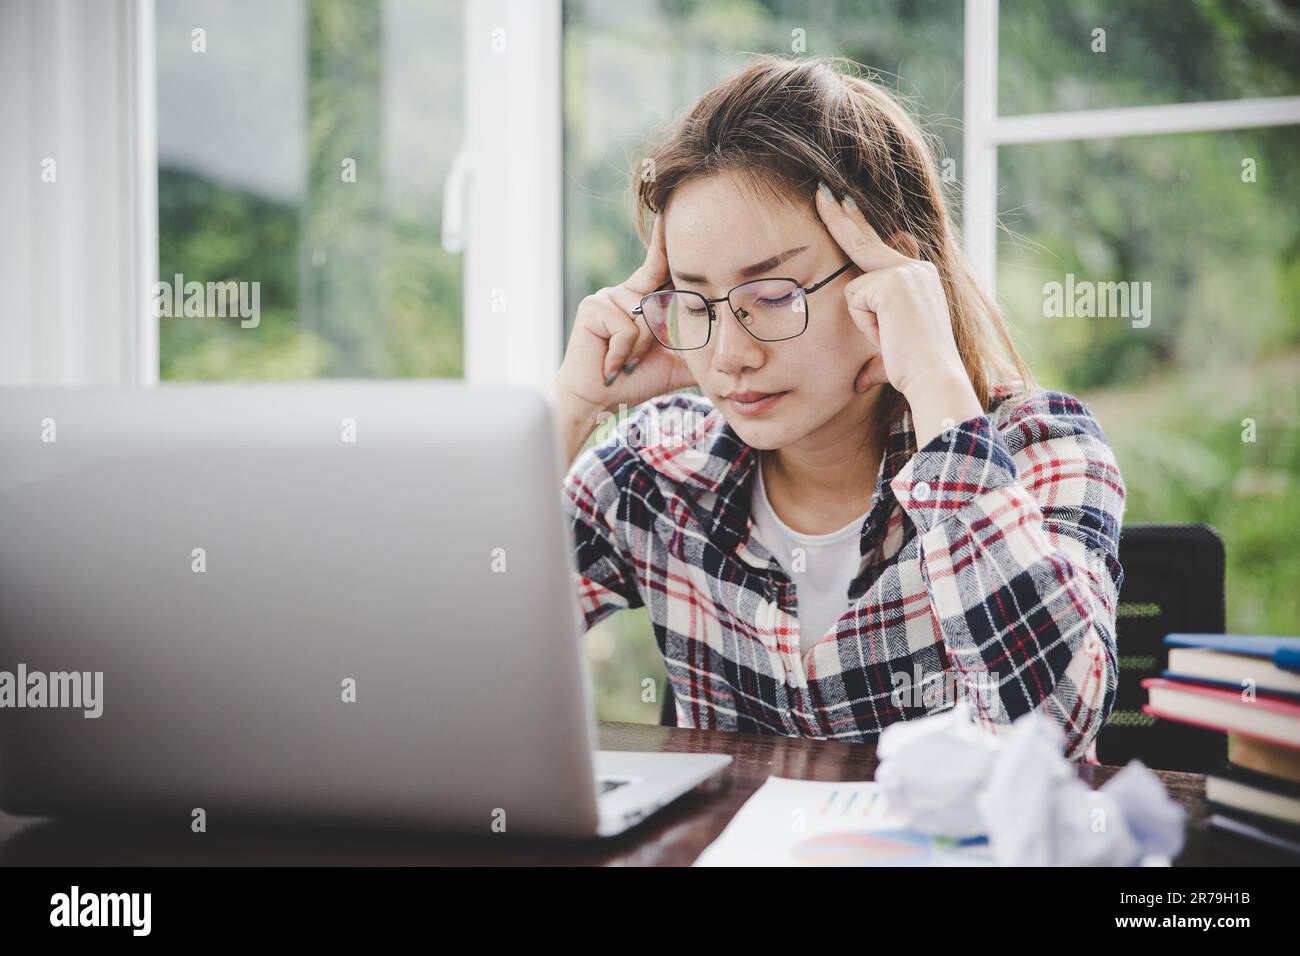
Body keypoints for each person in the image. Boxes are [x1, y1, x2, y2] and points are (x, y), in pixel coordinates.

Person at [548, 55, 1125, 763]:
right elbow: (446, 654)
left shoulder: (1043, 448)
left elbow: (1053, 727)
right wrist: (572, 407)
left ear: (892, 285)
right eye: (695, 303)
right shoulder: (657, 468)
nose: (728, 356)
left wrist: (935, 377)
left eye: (771, 297)